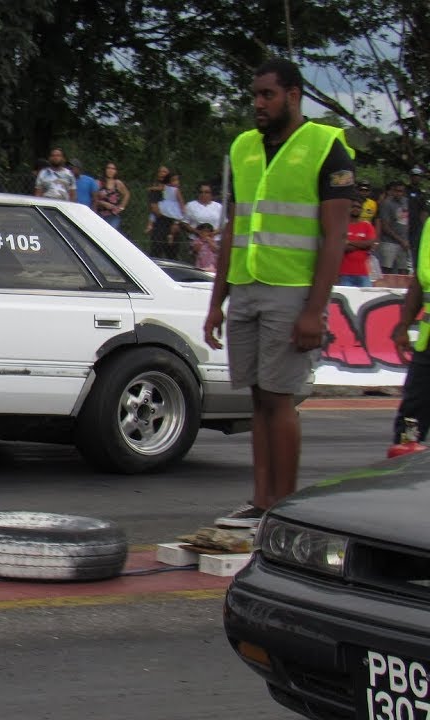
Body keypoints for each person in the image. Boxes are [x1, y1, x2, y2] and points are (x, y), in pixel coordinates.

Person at [203, 58, 355, 529]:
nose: (258, 104)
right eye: (255, 95)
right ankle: (261, 499)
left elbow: (335, 237)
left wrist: (315, 310)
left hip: (292, 292)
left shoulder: (326, 146)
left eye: (267, 95)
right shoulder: (244, 146)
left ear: (293, 95)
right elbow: (232, 229)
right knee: (257, 399)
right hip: (247, 287)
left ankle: (282, 507)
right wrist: (217, 301)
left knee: (279, 397)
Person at [390, 222, 430, 444]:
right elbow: (420, 279)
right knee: (412, 415)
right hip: (428, 343)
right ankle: (403, 462)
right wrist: (403, 325)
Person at [337, 197, 377, 287]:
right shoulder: (342, 225)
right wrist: (362, 245)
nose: (356, 209)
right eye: (353, 206)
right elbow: (341, 247)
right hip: (345, 273)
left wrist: (349, 242)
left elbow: (370, 243)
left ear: (362, 210)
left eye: (359, 207)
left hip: (364, 273)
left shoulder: (367, 226)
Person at [149, 172, 186, 259]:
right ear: (168, 181)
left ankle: (170, 236)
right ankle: (151, 225)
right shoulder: (165, 187)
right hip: (165, 209)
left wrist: (182, 209)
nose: (176, 182)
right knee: (154, 215)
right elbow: (158, 188)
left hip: (173, 211)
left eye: (177, 180)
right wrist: (151, 188)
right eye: (173, 180)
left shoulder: (176, 190)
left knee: (172, 228)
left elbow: (180, 201)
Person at [377, 181, 410, 274]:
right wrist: (400, 240)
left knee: (403, 269)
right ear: (392, 191)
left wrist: (407, 240)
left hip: (404, 242)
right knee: (386, 269)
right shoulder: (386, 203)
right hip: (389, 242)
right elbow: (385, 226)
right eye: (397, 191)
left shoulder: (407, 202)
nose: (399, 193)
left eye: (401, 191)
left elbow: (408, 221)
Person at [182, 182, 224, 251]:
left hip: (215, 242)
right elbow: (185, 223)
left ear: (211, 194)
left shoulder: (219, 206)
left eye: (206, 192)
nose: (203, 194)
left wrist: (212, 234)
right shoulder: (190, 205)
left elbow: (224, 224)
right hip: (197, 242)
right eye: (201, 192)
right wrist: (198, 232)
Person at [95, 162, 130, 230]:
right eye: (109, 168)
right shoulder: (98, 183)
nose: (110, 170)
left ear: (116, 171)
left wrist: (121, 207)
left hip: (113, 215)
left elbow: (127, 194)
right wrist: (102, 203)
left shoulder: (118, 183)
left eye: (113, 169)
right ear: (105, 170)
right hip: (100, 214)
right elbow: (94, 198)